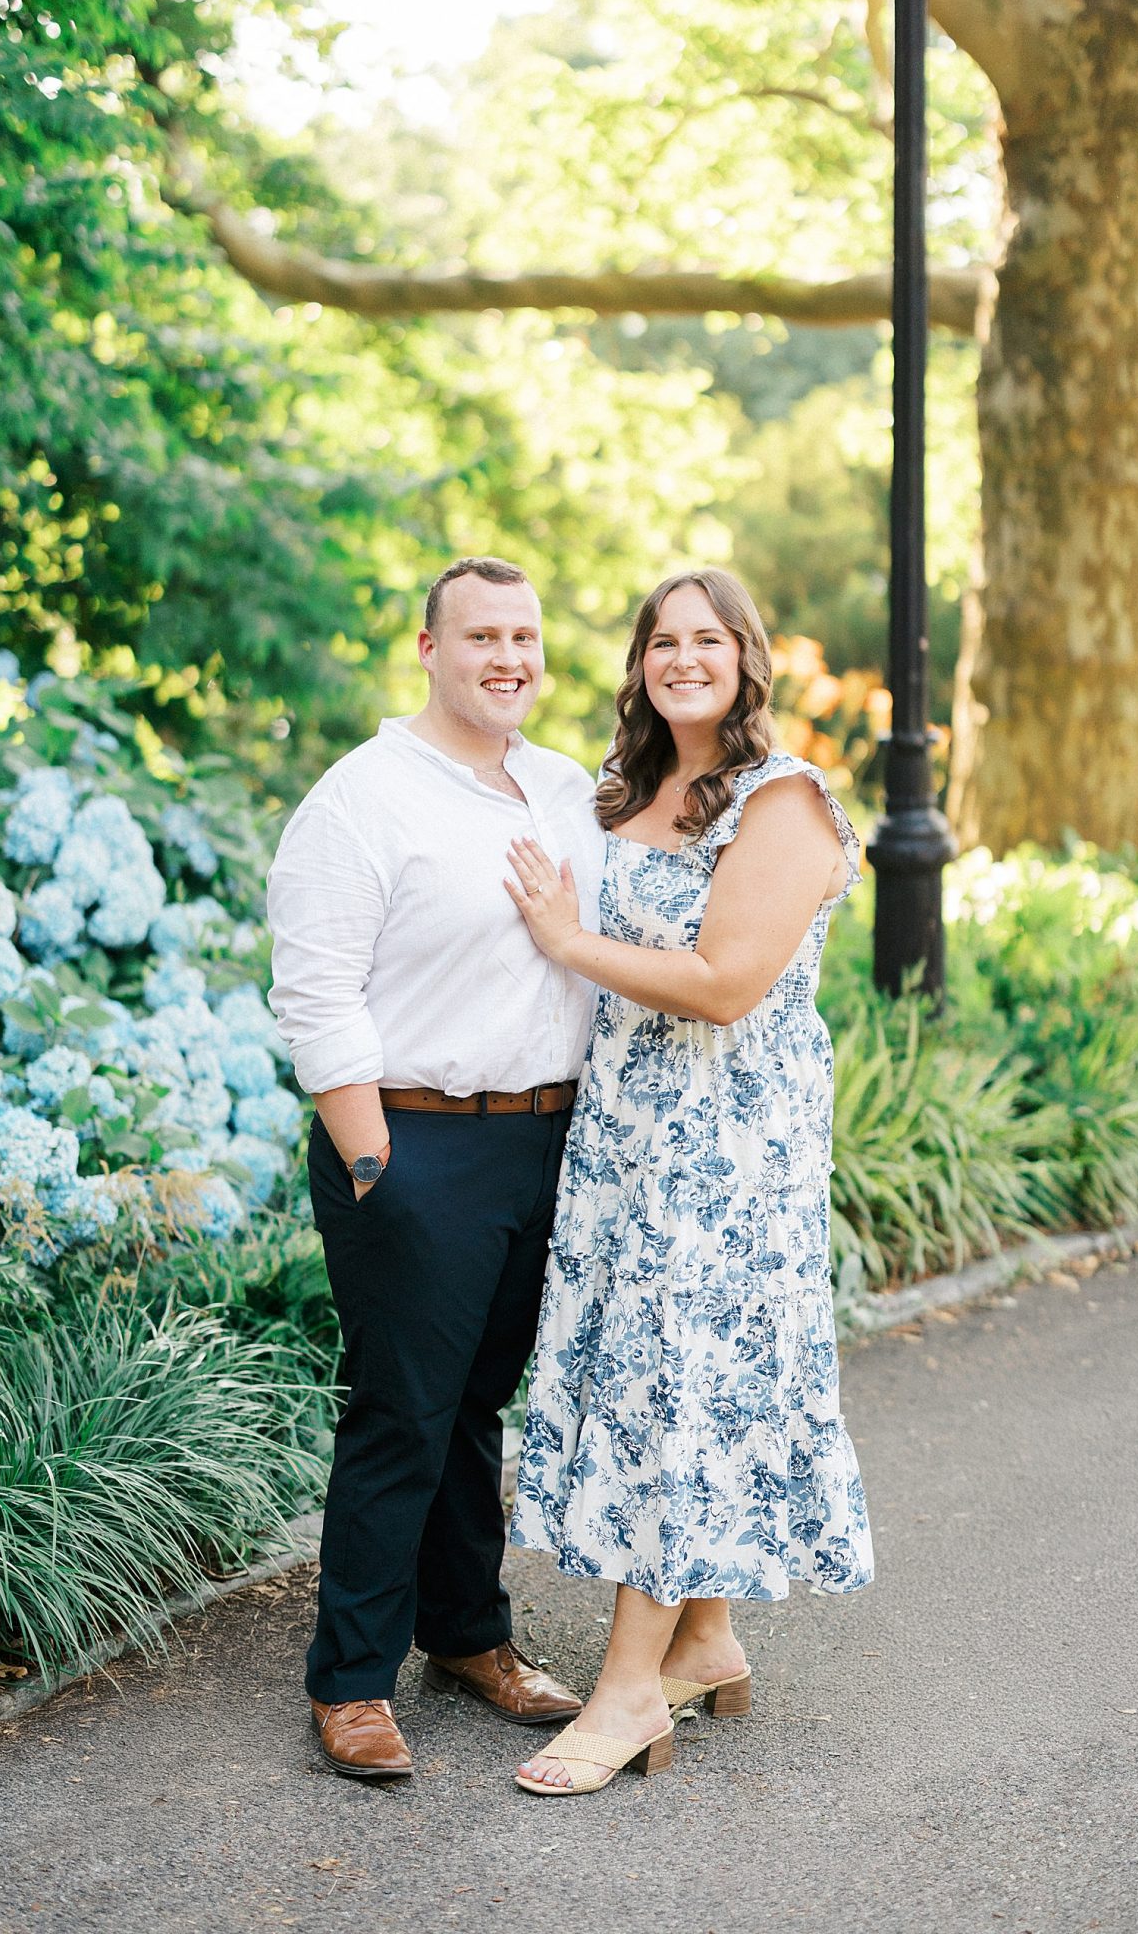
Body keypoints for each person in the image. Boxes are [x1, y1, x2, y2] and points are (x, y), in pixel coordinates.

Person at [502, 567, 875, 1797]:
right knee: (669, 1371)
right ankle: (704, 1638)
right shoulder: (630, 790)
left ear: (747, 657)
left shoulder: (783, 801)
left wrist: (568, 942)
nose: (682, 657)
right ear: (641, 663)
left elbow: (724, 982)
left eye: (707, 638)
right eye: (663, 639)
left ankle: (623, 1696)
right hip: (625, 1134)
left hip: (726, 1149)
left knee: (675, 1385)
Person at [266, 555, 605, 1781]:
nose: (507, 656)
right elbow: (314, 990)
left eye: (525, 634)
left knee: (476, 1405)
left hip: (543, 1138)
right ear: (428, 648)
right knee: (403, 1411)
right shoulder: (363, 797)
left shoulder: (566, 789)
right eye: (481, 636)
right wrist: (372, 1161)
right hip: (411, 1140)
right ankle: (351, 1679)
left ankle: (469, 1636)